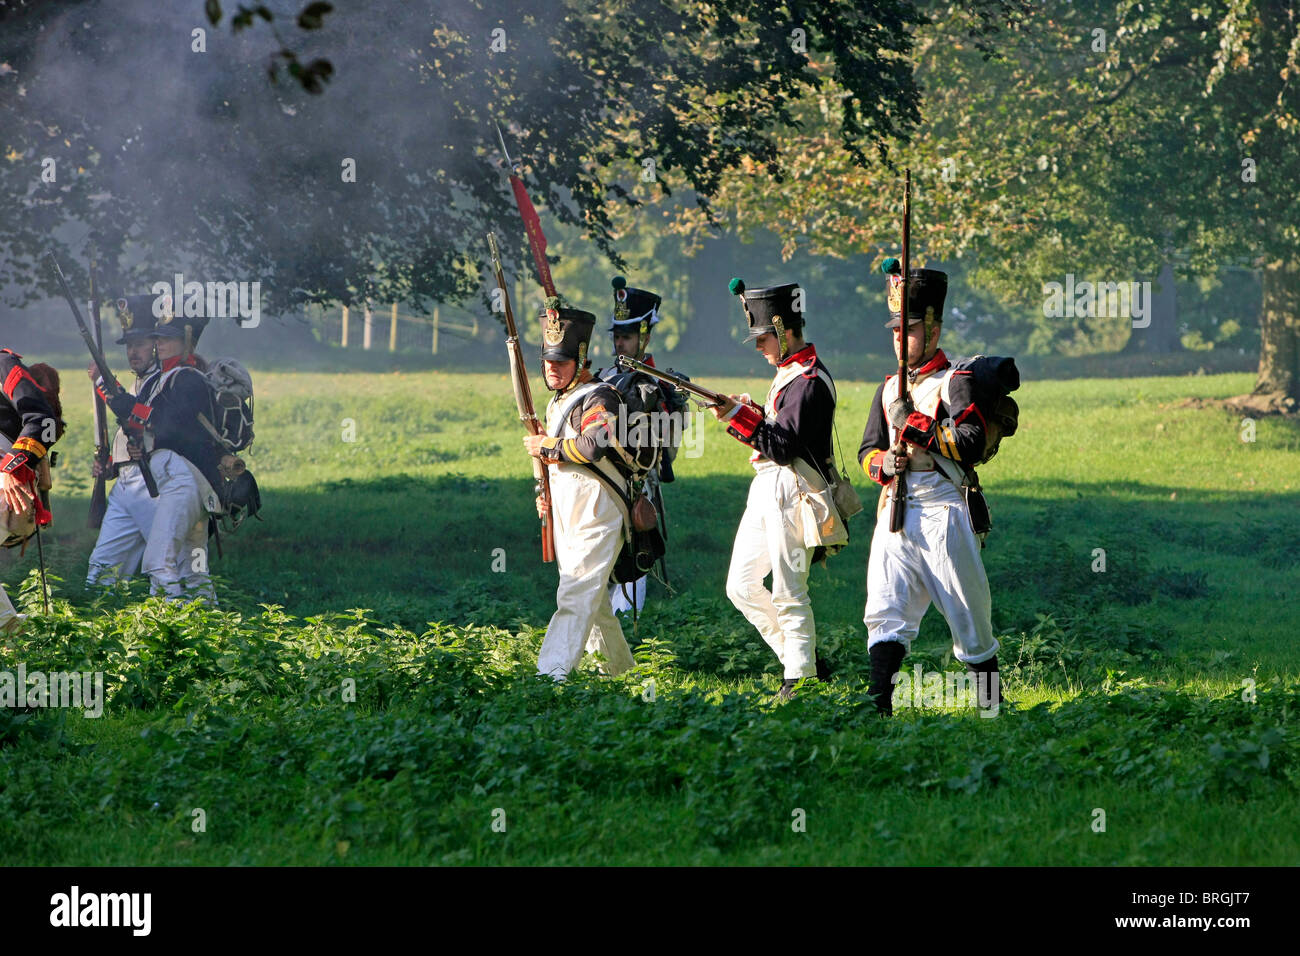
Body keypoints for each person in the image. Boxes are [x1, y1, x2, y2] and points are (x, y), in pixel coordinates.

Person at [857, 263, 1001, 716]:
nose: (901, 337)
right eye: (896, 329)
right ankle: (878, 708)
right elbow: (867, 452)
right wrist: (885, 463)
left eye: (912, 328)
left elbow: (972, 443)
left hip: (943, 509)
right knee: (884, 609)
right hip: (895, 510)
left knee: (968, 615)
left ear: (934, 327)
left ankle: (992, 707)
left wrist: (915, 427)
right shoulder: (887, 388)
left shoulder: (956, 380)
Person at [710, 278, 837, 700]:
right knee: (741, 585)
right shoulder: (789, 375)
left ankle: (798, 681)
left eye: (763, 338)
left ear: (784, 331)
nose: (759, 347)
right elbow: (779, 429)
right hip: (768, 487)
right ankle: (803, 661)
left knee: (787, 589)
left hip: (793, 488)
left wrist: (737, 416)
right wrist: (745, 411)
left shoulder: (809, 380)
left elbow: (783, 447)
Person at [524, 305, 654, 681]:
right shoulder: (558, 401)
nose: (552, 367)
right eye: (548, 359)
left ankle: (552, 675)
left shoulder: (601, 397)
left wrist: (548, 447)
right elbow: (562, 464)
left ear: (580, 357)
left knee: (576, 592)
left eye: (561, 360)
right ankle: (619, 672)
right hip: (569, 508)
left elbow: (594, 445)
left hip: (599, 509)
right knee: (592, 601)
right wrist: (545, 491)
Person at [87, 295, 222, 604]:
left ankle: (177, 631)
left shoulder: (188, 379)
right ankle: (205, 624)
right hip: (158, 478)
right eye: (158, 337)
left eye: (167, 338)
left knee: (168, 562)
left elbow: (173, 425)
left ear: (186, 341)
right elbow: (144, 425)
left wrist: (132, 410)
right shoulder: (158, 382)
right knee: (181, 565)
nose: (158, 343)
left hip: (173, 481)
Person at [594, 276, 688, 615]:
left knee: (636, 554)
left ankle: (628, 628)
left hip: (637, 487)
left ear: (644, 337)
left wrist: (675, 407)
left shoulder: (662, 384)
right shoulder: (601, 377)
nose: (620, 343)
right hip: (600, 482)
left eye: (627, 337)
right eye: (617, 336)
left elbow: (670, 449)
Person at [85, 301, 166, 588]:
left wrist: (106, 384)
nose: (133, 352)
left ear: (156, 345)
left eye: (141, 344)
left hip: (152, 482)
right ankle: (93, 624)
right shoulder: (136, 385)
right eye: (130, 345)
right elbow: (129, 422)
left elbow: (143, 418)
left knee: (167, 564)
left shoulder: (165, 383)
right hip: (125, 483)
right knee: (102, 568)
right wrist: (109, 464)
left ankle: (195, 625)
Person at [1, 347, 65, 631]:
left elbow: (45, 421)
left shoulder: (3, 364)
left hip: (10, 484)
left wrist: (12, 466)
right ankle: (14, 629)